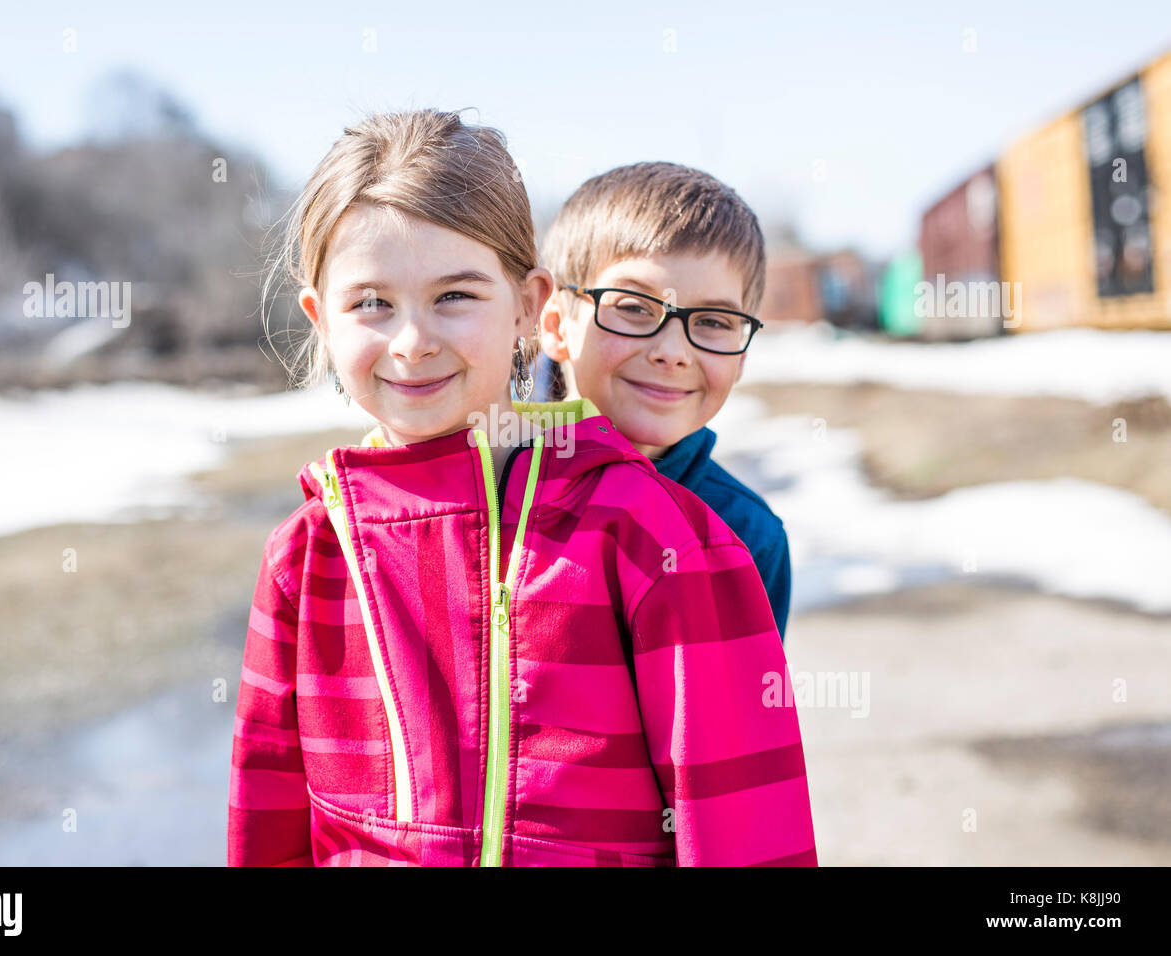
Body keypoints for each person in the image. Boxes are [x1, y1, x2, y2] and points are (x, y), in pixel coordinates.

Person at [227, 110, 816, 866]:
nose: (413, 341)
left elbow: (733, 807)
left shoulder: (663, 535)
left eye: (455, 296)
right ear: (321, 320)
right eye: (371, 302)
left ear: (528, 308)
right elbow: (267, 811)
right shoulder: (306, 553)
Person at [535, 162, 792, 642]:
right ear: (554, 326)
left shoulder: (748, 537)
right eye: (633, 307)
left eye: (715, 321)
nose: (672, 353)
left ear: (742, 356)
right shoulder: (487, 491)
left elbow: (738, 716)